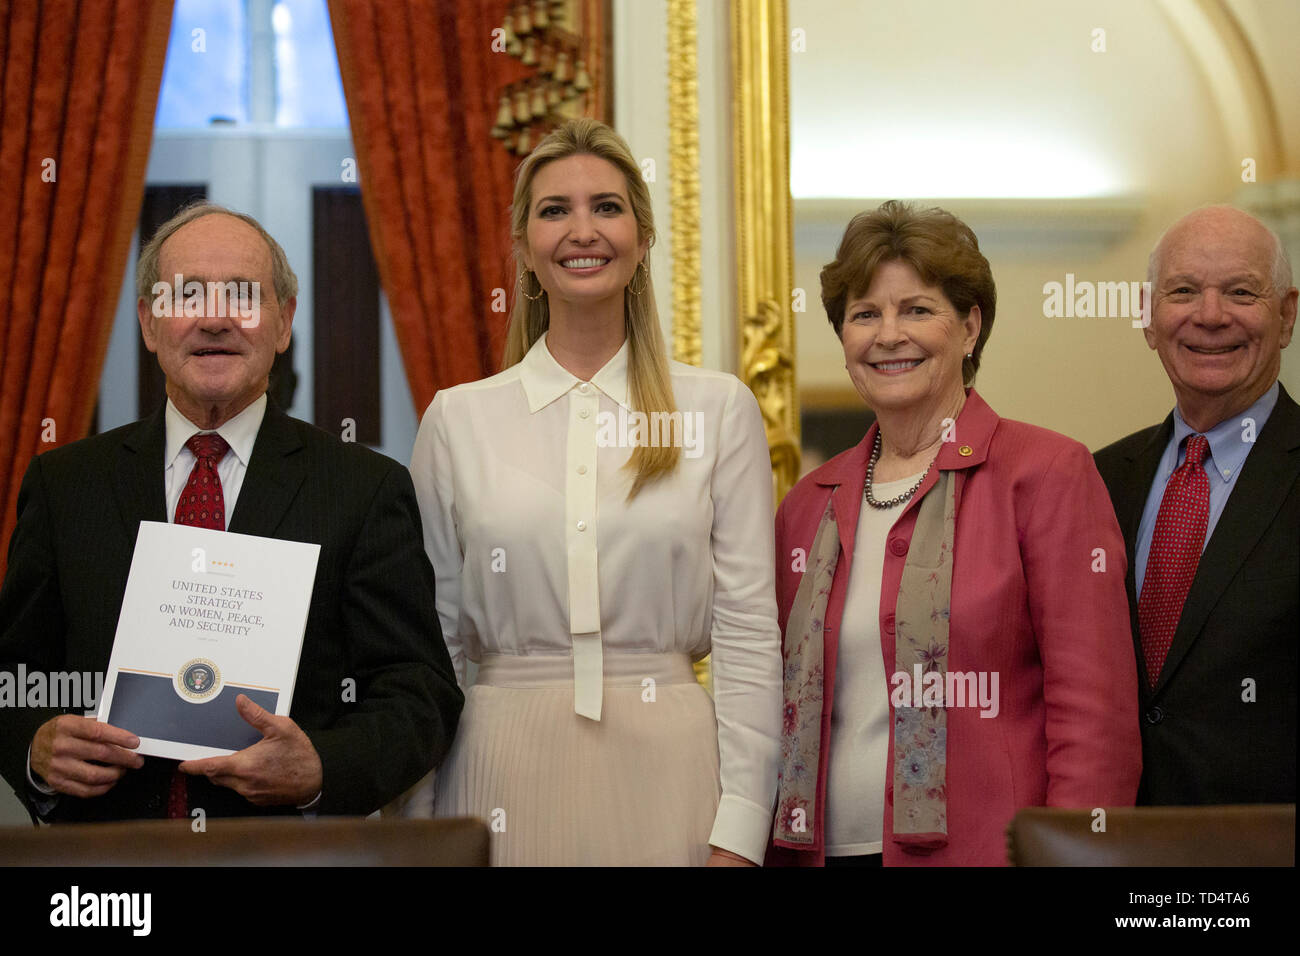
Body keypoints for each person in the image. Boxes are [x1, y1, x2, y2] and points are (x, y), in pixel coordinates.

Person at [0, 203, 463, 822]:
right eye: (187, 294)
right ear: (149, 321)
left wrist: (322, 767)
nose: (215, 319)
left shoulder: (365, 488)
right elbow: (14, 677)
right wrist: (35, 745)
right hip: (108, 871)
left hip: (288, 861)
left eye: (243, 296)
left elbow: (419, 695)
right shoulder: (65, 486)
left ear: (284, 322)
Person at [407, 118, 782, 866]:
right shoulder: (457, 419)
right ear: (523, 247)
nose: (584, 230)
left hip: (674, 771)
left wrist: (740, 826)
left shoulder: (718, 410)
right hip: (496, 768)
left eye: (607, 207)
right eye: (555, 210)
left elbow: (747, 634)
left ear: (642, 239)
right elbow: (434, 644)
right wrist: (417, 827)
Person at [766, 201, 1142, 867]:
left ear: (969, 327)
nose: (888, 335)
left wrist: (1075, 858)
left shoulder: (1047, 474)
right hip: (819, 854)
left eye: (916, 309)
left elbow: (1096, 721)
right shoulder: (807, 504)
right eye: (864, 314)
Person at [1094, 205, 1297, 805]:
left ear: (1286, 315)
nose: (1210, 316)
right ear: (1149, 316)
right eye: (1183, 291)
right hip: (1121, 842)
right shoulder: (1098, 479)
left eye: (1241, 292)